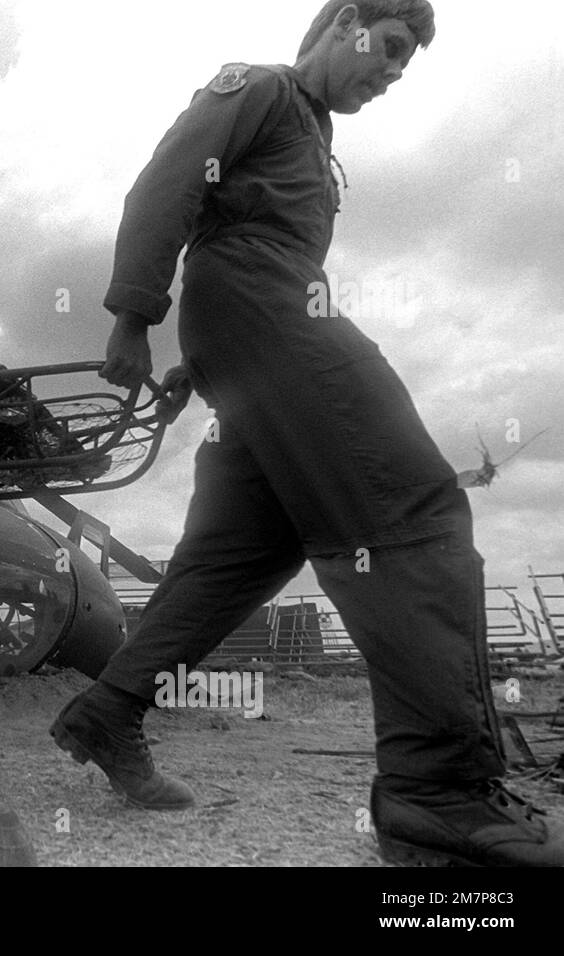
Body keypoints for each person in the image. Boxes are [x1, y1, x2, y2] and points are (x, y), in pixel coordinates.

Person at [50, 1, 564, 866]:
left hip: (252, 326)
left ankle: (109, 710)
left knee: (242, 553)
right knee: (416, 512)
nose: (394, 71)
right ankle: (433, 791)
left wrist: (204, 362)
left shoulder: (316, 142)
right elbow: (168, 180)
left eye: (406, 63)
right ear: (345, 23)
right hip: (264, 303)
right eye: (390, 48)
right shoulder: (262, 89)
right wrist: (136, 314)